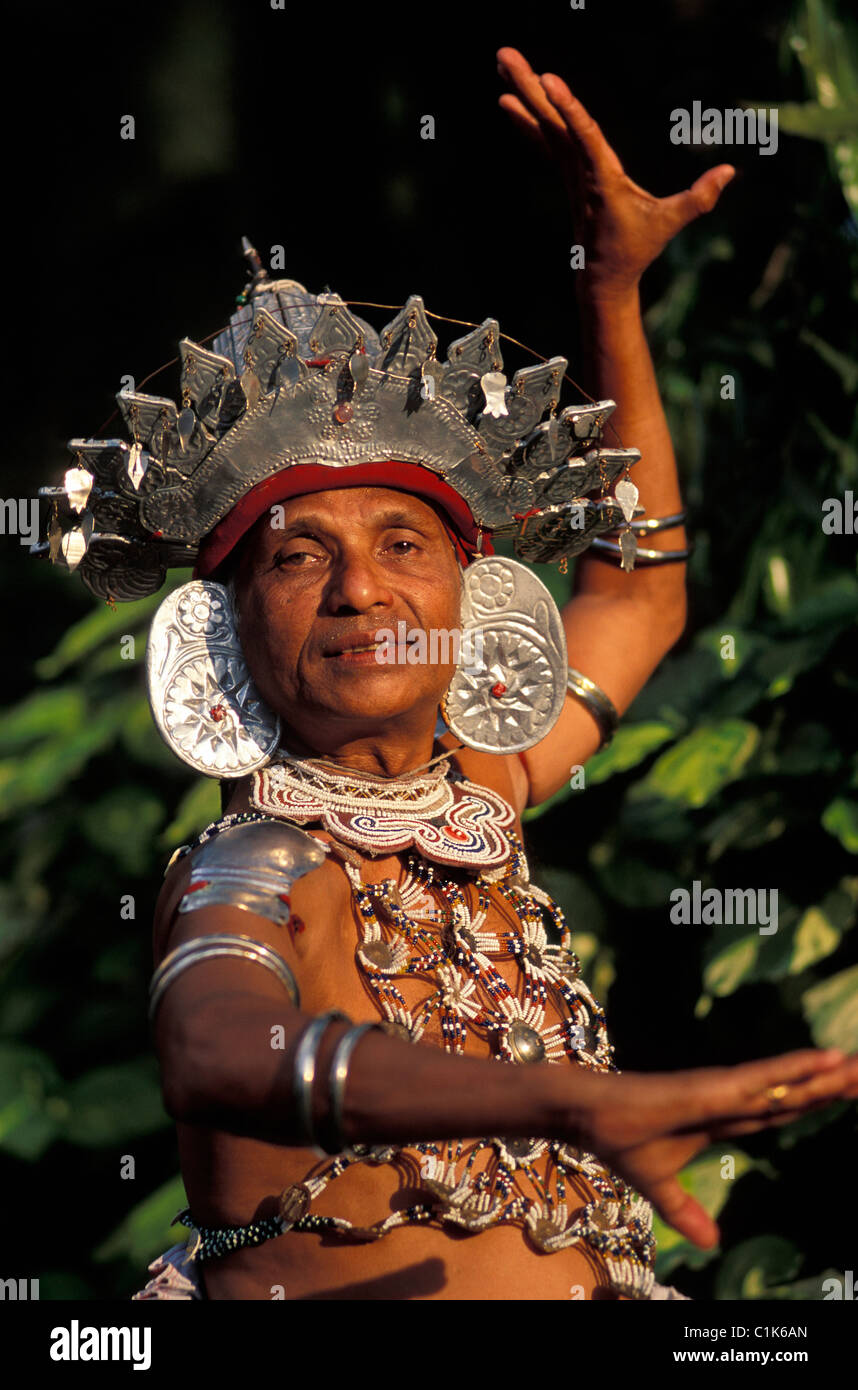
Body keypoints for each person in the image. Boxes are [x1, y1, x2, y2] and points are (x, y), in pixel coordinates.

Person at [35, 48, 858, 1302]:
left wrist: (615, 289)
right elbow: (214, 1049)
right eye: (301, 557)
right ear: (224, 630)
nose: (362, 592)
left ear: (477, 612)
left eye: (402, 545)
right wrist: (573, 1102)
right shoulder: (256, 869)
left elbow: (639, 589)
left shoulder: (484, 791)